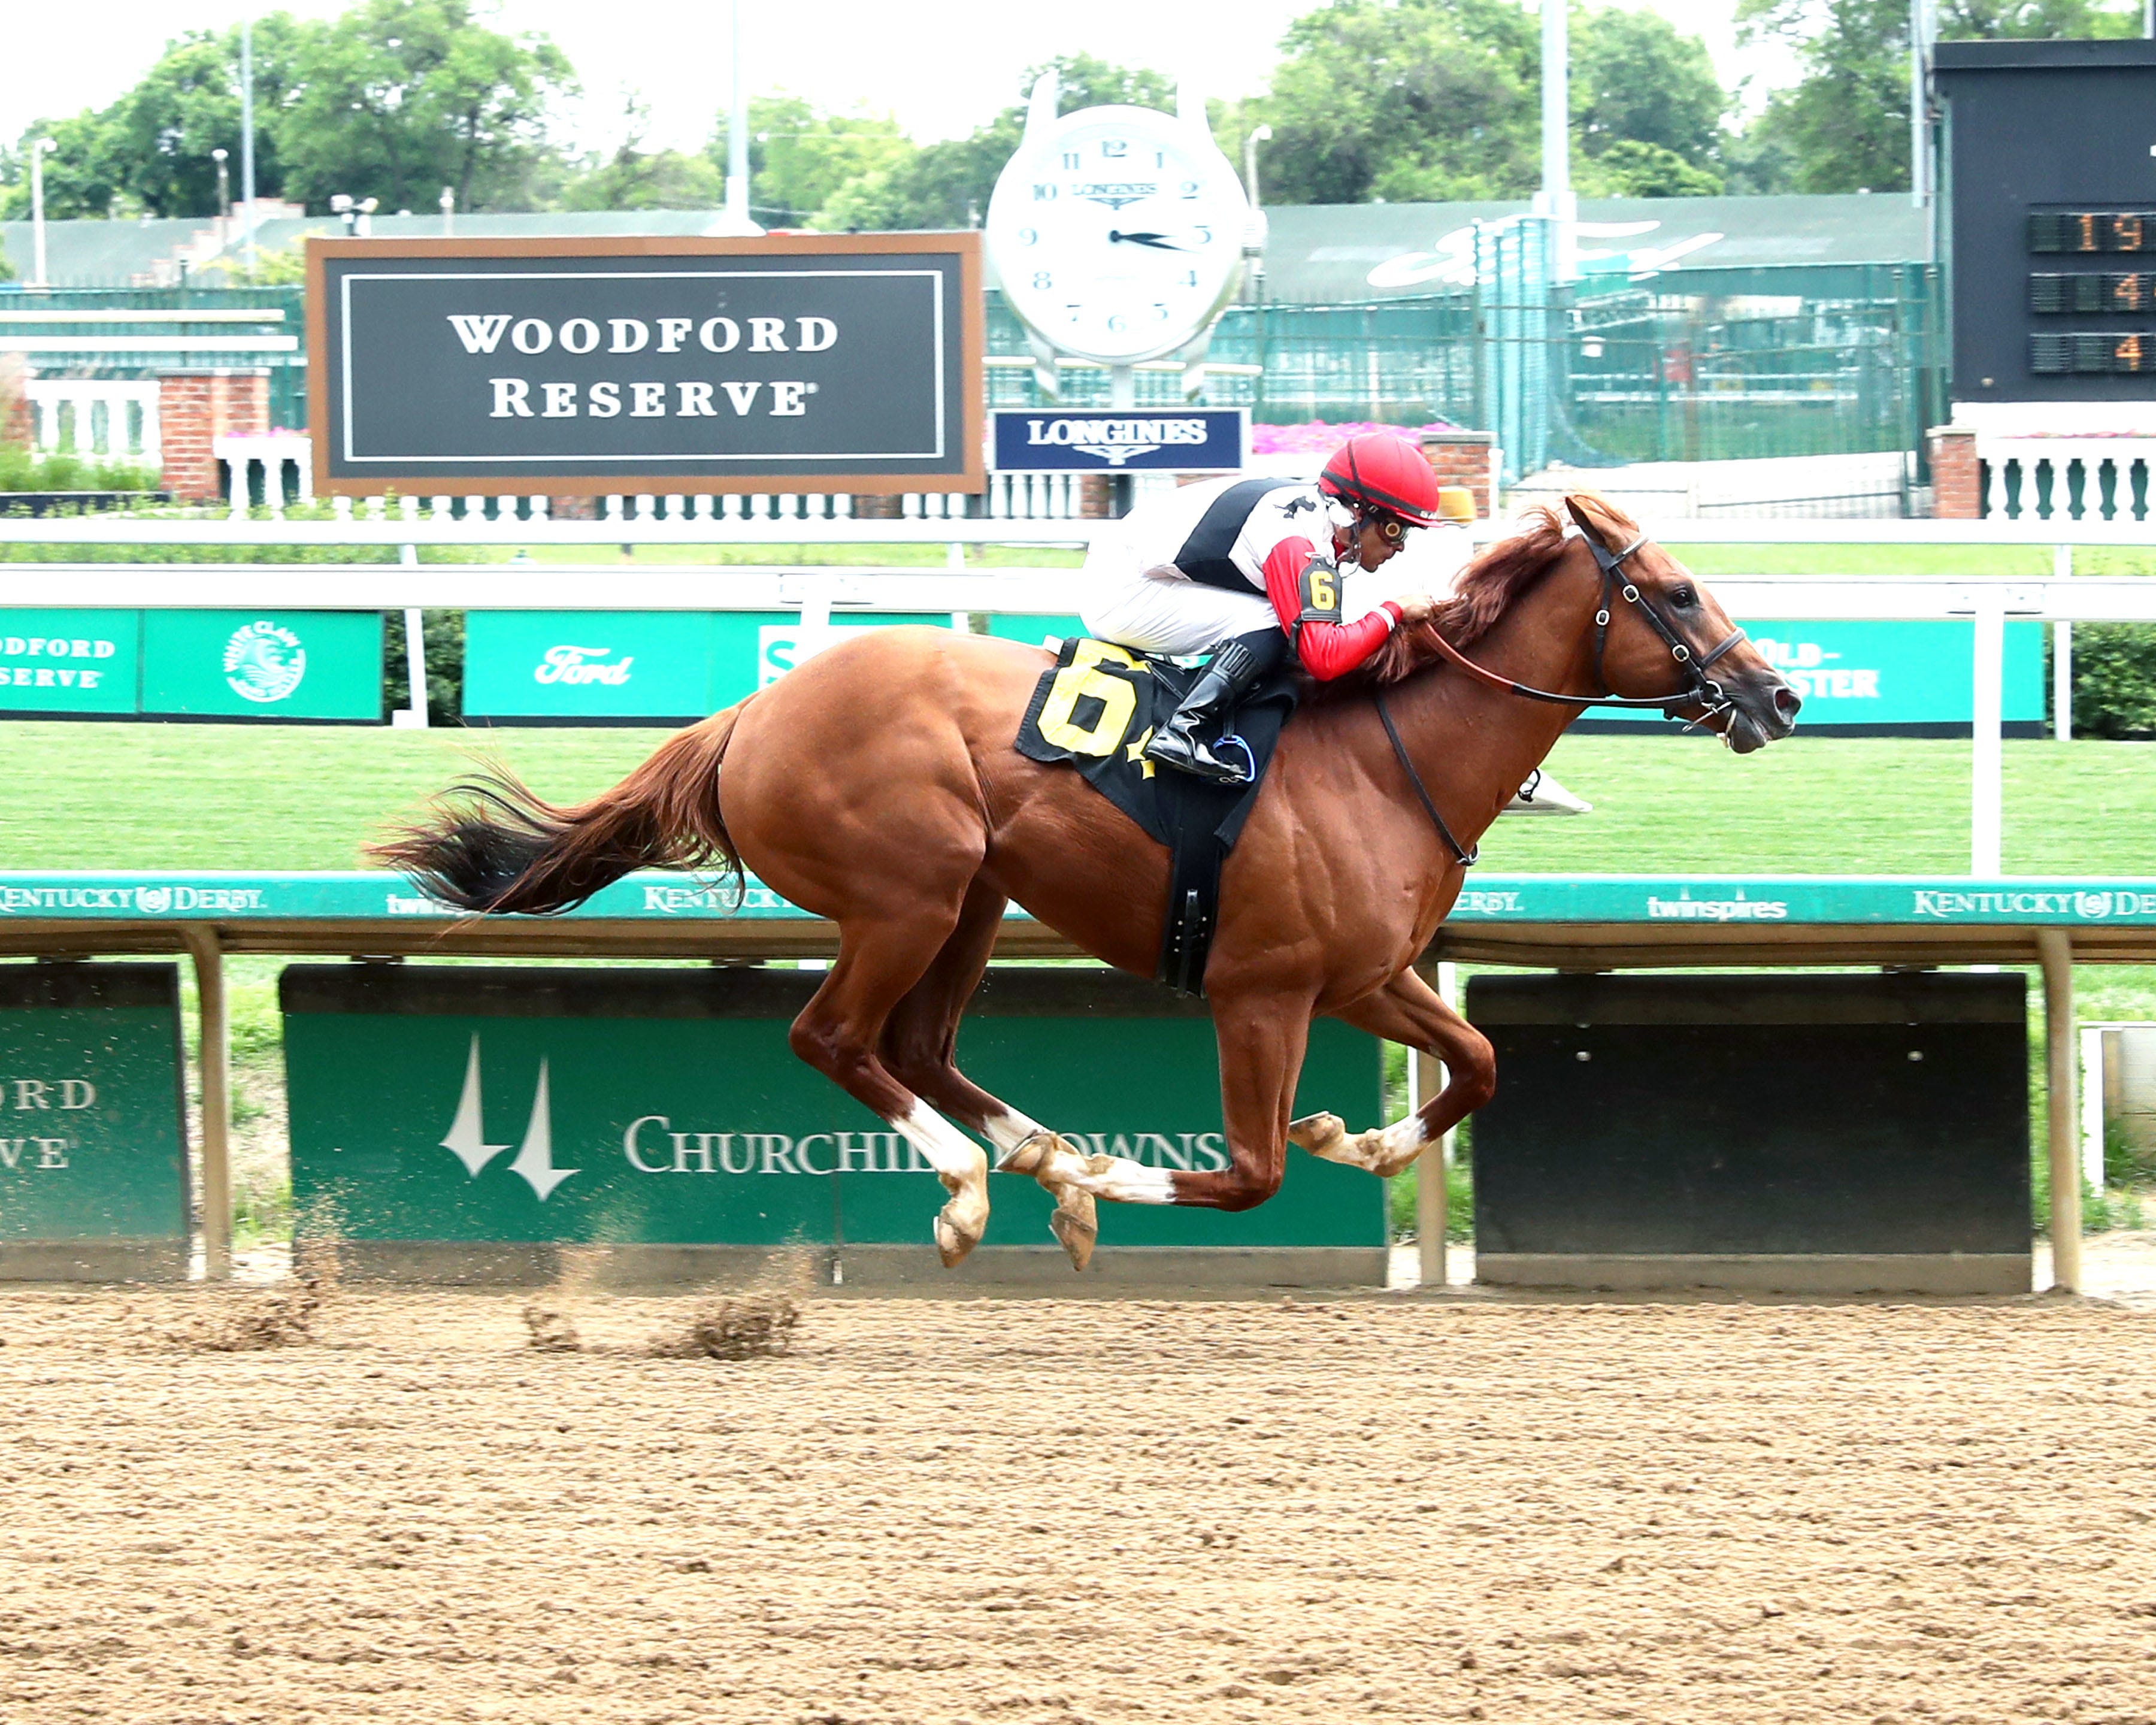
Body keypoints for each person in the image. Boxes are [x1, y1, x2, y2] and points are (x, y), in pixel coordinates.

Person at [1078, 431, 1446, 785]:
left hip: (1138, 574)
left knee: (1287, 624)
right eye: (1394, 529)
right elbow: (1324, 657)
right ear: (1356, 513)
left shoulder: (1314, 521)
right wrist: (1392, 611)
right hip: (1122, 591)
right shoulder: (1296, 544)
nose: (1398, 546)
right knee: (1274, 620)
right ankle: (1185, 728)